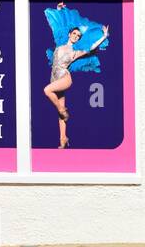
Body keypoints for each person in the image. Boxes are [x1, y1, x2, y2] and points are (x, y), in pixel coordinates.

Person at [42, 14, 109, 150]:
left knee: (47, 91)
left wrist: (104, 36)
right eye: (74, 33)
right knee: (60, 116)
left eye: (78, 36)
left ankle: (63, 110)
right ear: (69, 34)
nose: (76, 36)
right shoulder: (59, 45)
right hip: (54, 78)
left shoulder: (75, 52)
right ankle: (63, 139)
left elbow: (91, 48)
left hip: (64, 79)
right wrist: (60, 10)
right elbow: (58, 23)